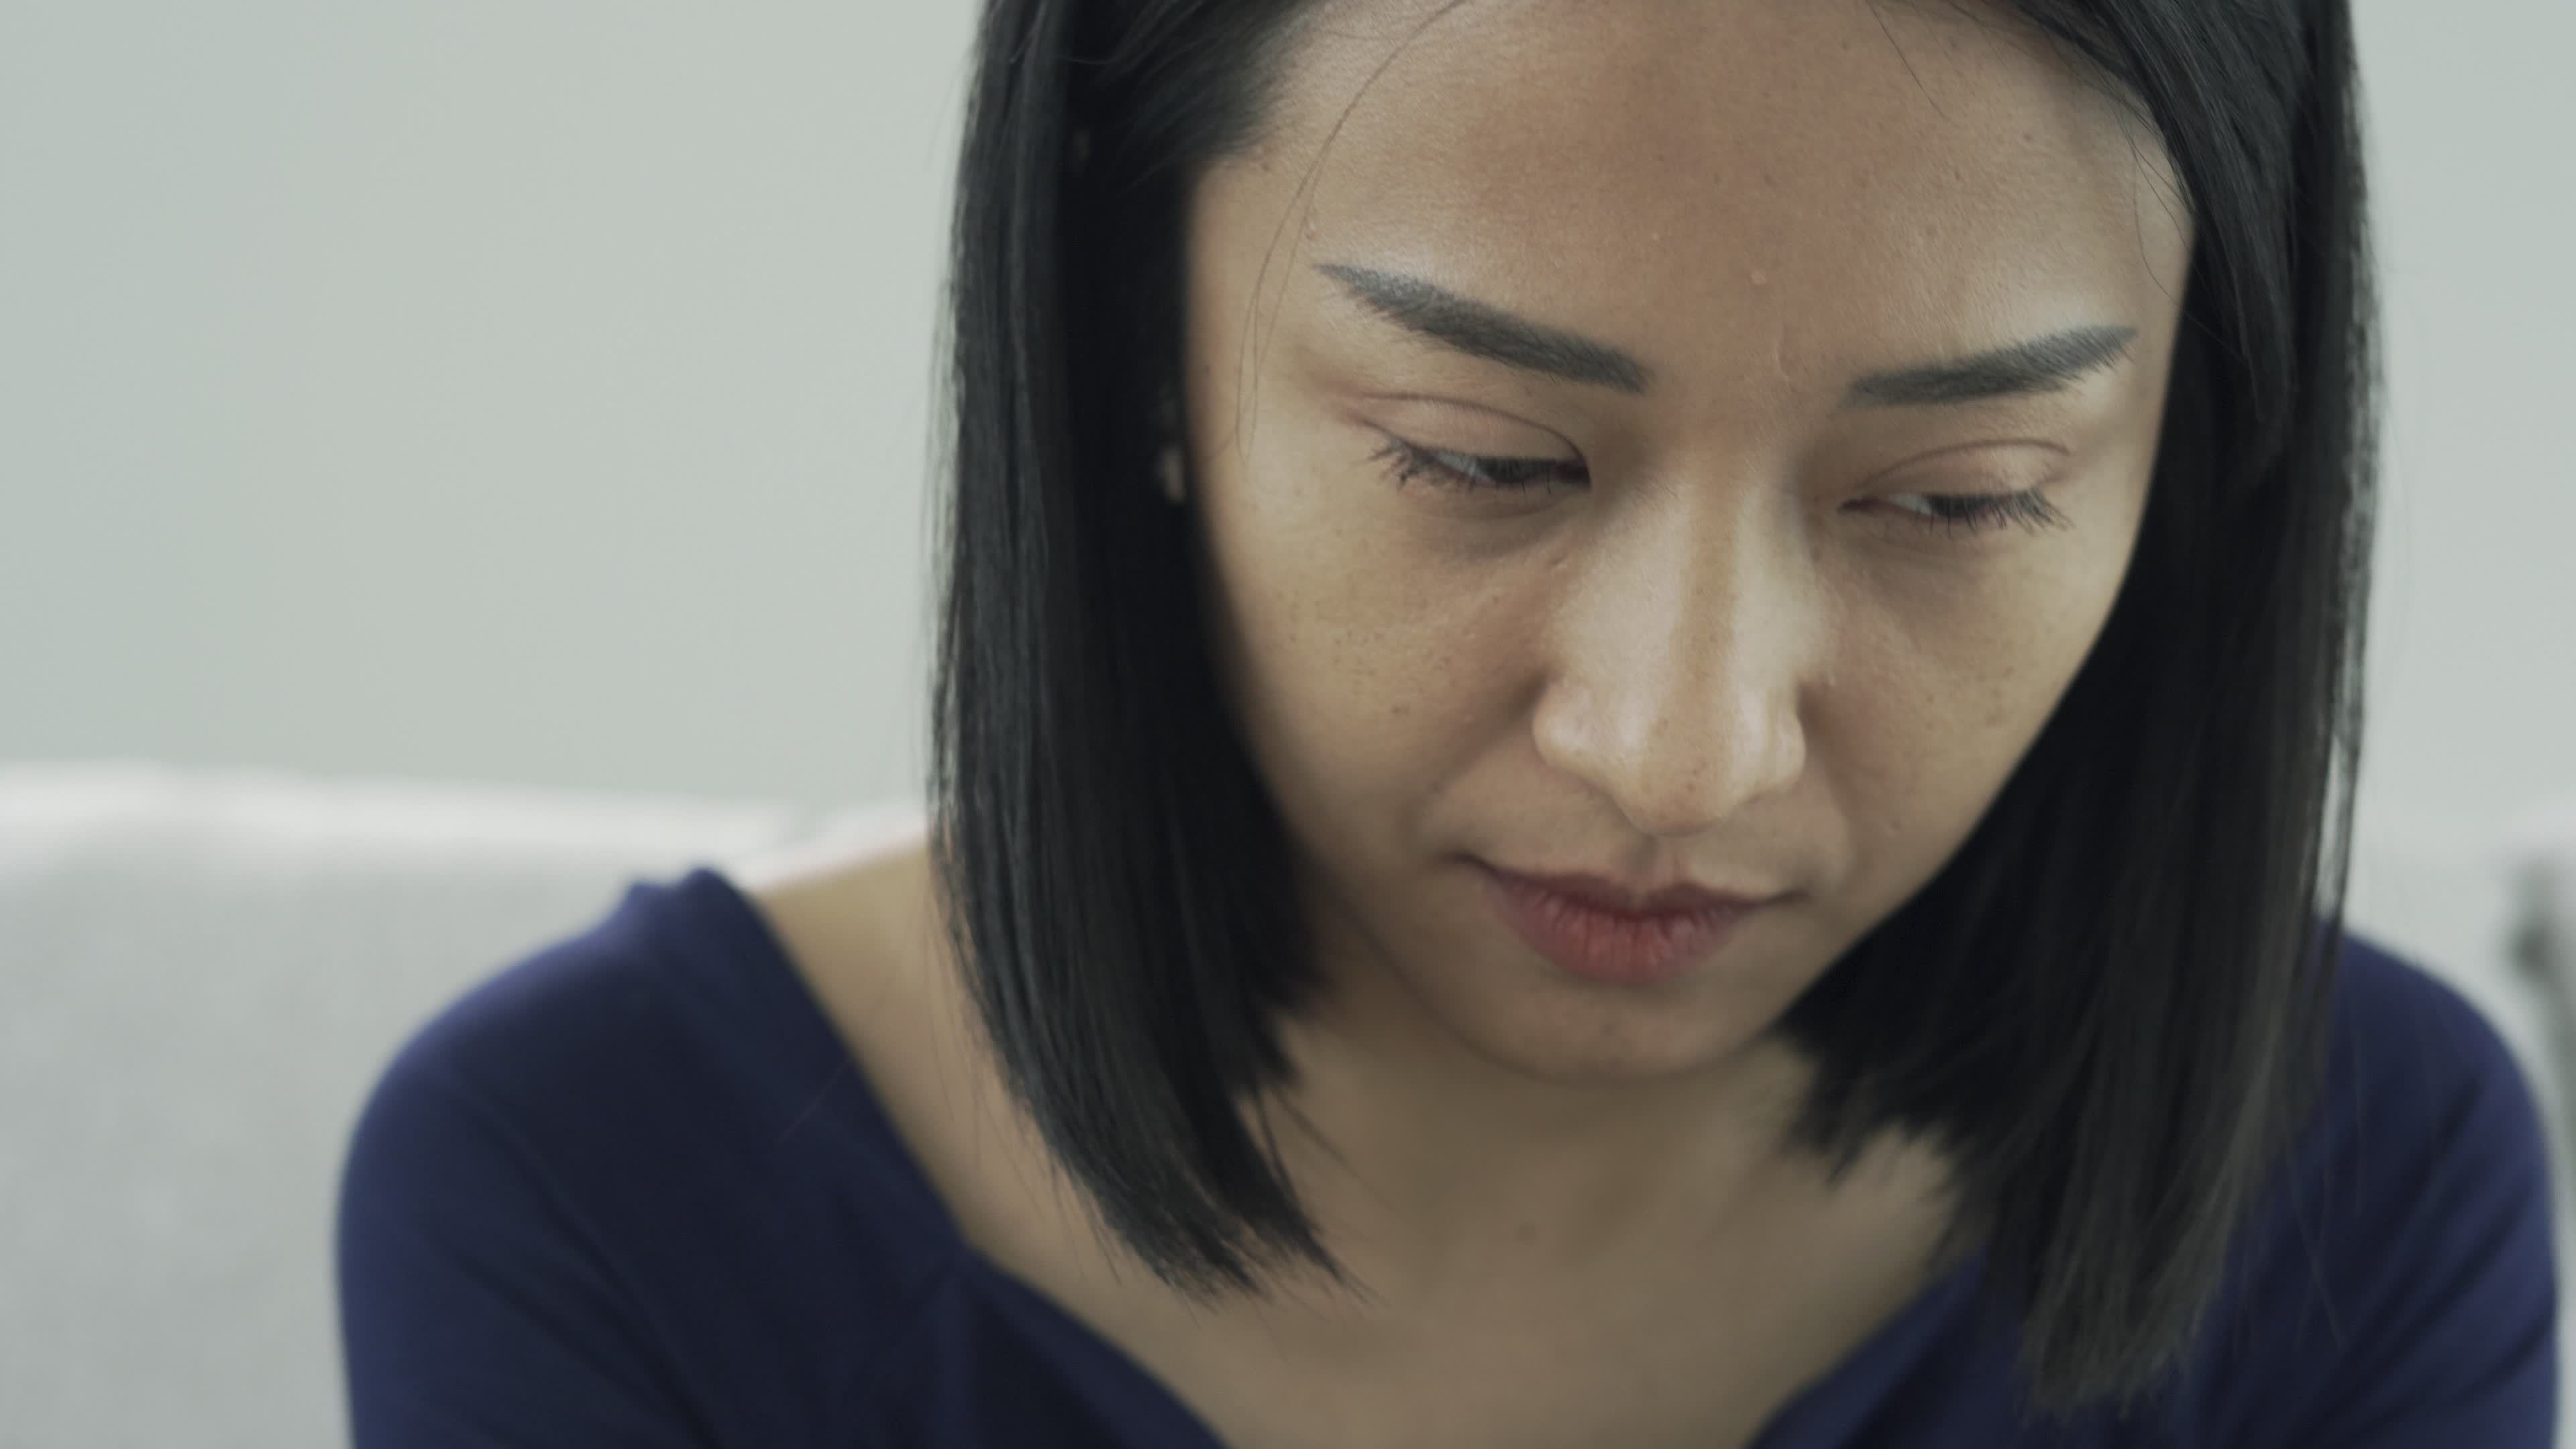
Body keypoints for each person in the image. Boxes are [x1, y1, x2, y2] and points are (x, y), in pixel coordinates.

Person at [335, 1, 2560, 1444]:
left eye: (1955, 501)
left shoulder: (2360, 1182)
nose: (1679, 753)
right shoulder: (600, 1189)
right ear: (1129, 349)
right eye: (1484, 460)